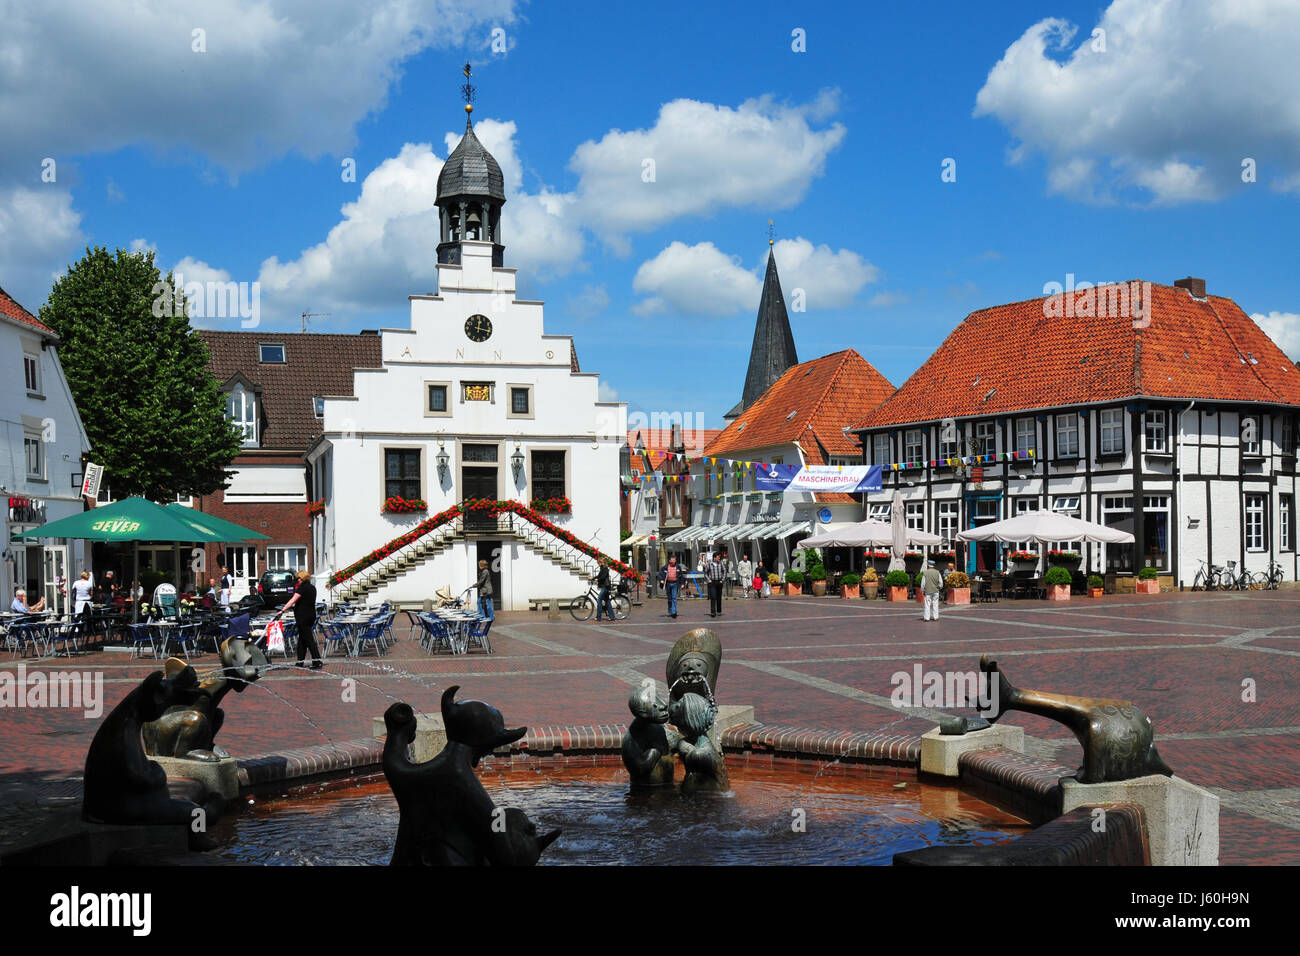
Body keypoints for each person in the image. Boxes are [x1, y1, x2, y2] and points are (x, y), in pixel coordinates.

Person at [275, 569, 322, 669]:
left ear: (302, 578)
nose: (297, 581)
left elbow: (292, 600)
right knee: (302, 640)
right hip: (311, 615)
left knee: (309, 639)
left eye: (298, 579)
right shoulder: (312, 588)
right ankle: (300, 662)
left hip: (303, 617)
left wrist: (282, 610)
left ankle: (317, 661)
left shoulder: (302, 588)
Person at [921, 558, 944, 623]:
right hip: (936, 591)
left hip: (928, 591)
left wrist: (923, 590)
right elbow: (941, 583)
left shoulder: (925, 572)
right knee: (935, 604)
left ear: (928, 565)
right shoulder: (937, 572)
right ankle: (935, 617)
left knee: (927, 604)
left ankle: (927, 618)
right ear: (934, 565)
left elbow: (923, 583)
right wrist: (939, 588)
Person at [704, 551, 725, 618]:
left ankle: (719, 610)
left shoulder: (721, 563)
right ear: (714, 558)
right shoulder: (709, 564)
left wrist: (722, 580)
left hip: (719, 582)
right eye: (718, 557)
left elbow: (724, 571)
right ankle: (713, 612)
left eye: (719, 557)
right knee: (713, 597)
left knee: (719, 597)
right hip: (712, 582)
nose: (719, 558)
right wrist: (708, 580)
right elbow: (705, 572)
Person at [475, 559, 495, 624]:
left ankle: (487, 616)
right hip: (485, 590)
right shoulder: (484, 571)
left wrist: (473, 585)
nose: (478, 566)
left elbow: (481, 581)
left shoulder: (485, 571)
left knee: (486, 603)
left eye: (479, 564)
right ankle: (484, 615)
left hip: (486, 590)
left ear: (481, 565)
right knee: (481, 602)